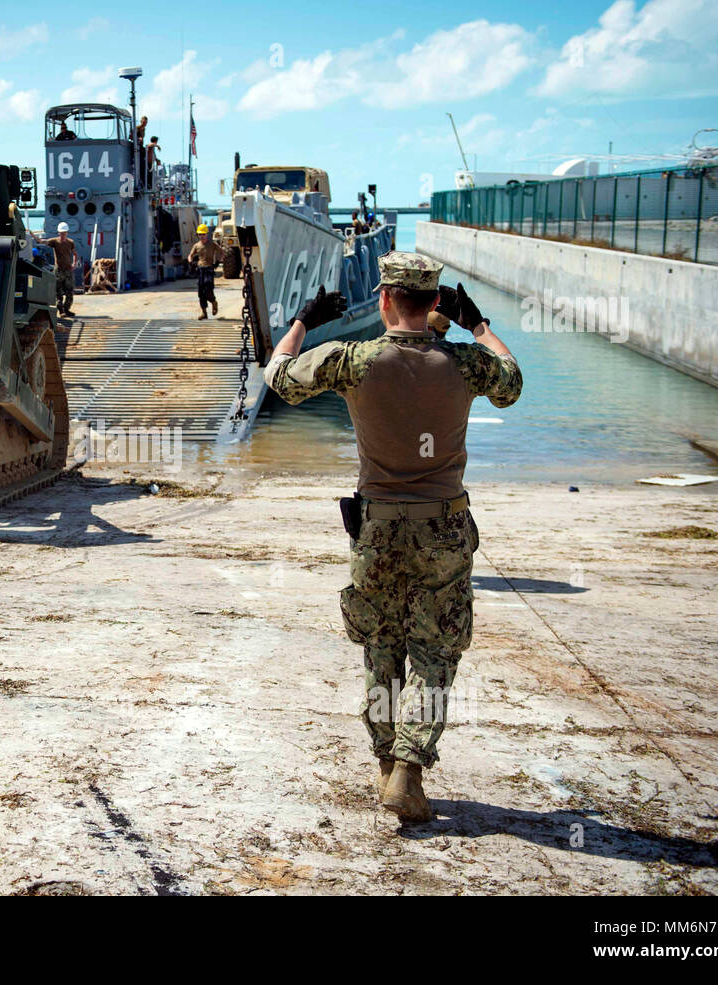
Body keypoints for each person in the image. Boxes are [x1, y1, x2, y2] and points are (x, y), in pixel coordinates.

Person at [263, 253, 523, 823]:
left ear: (383, 300)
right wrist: (478, 325)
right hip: (443, 526)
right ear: (435, 305)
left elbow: (278, 377)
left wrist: (305, 320)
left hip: (377, 525)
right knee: (435, 649)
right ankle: (407, 770)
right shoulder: (464, 362)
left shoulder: (354, 361)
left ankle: (387, 766)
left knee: (381, 648)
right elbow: (513, 383)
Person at [34, 221, 78, 317]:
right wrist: (33, 236)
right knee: (58, 292)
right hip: (58, 271)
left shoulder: (71, 242)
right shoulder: (54, 241)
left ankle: (67, 309)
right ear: (59, 233)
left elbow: (74, 253)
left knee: (70, 291)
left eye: (64, 233)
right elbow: (42, 242)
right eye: (61, 233)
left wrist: (74, 263)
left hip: (68, 270)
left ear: (67, 232)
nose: (63, 235)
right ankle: (61, 311)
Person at [187, 223, 222, 319]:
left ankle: (214, 302)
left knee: (208, 288)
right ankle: (204, 313)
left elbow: (221, 251)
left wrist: (218, 261)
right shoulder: (196, 246)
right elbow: (190, 255)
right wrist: (191, 262)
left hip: (209, 269)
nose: (202, 236)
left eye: (203, 234)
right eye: (200, 234)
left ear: (207, 234)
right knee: (201, 292)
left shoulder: (212, 245)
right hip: (201, 270)